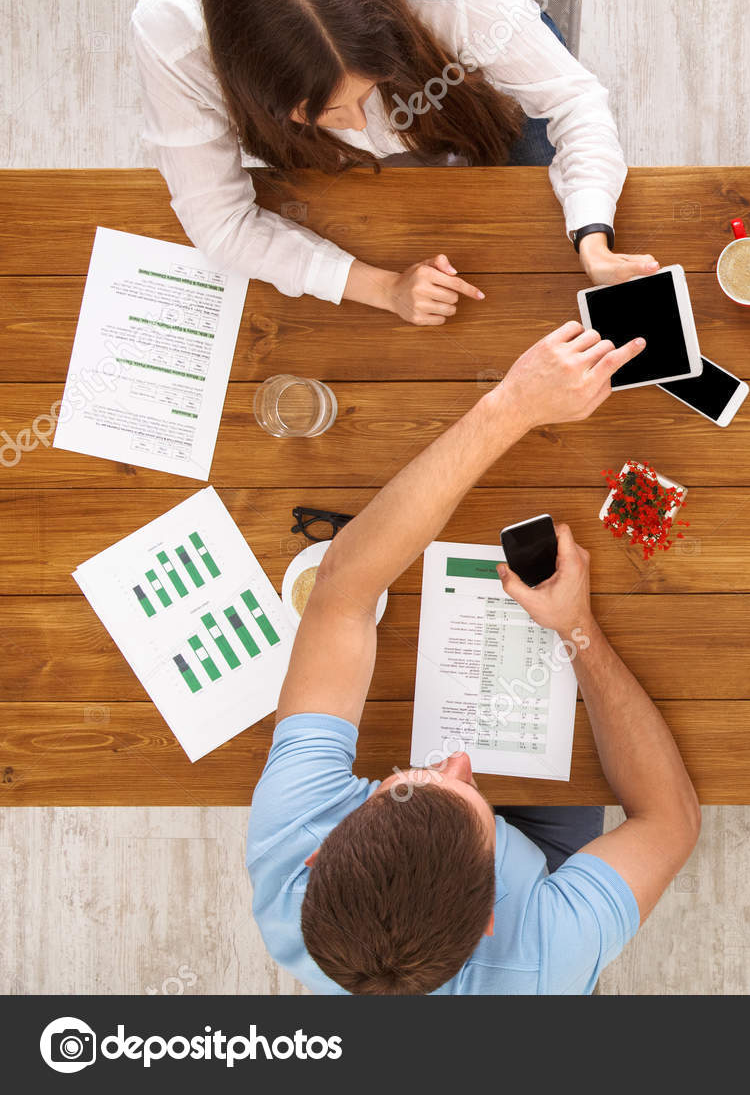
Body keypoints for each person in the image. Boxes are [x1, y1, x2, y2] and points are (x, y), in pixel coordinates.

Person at [247, 322, 701, 994]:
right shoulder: (540, 962)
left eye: (406, 779)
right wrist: (577, 629)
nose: (459, 757)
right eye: (469, 786)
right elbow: (672, 821)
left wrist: (512, 402)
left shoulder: (288, 858)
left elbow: (341, 592)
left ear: (323, 847)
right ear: (494, 916)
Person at [132, 0, 657, 325]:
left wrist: (592, 239)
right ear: (251, 92)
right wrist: (383, 288)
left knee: (539, 256)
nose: (357, 126)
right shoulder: (171, 38)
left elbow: (573, 99)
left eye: (364, 94)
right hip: (338, 165)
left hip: (480, 99)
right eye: (329, 115)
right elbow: (222, 226)